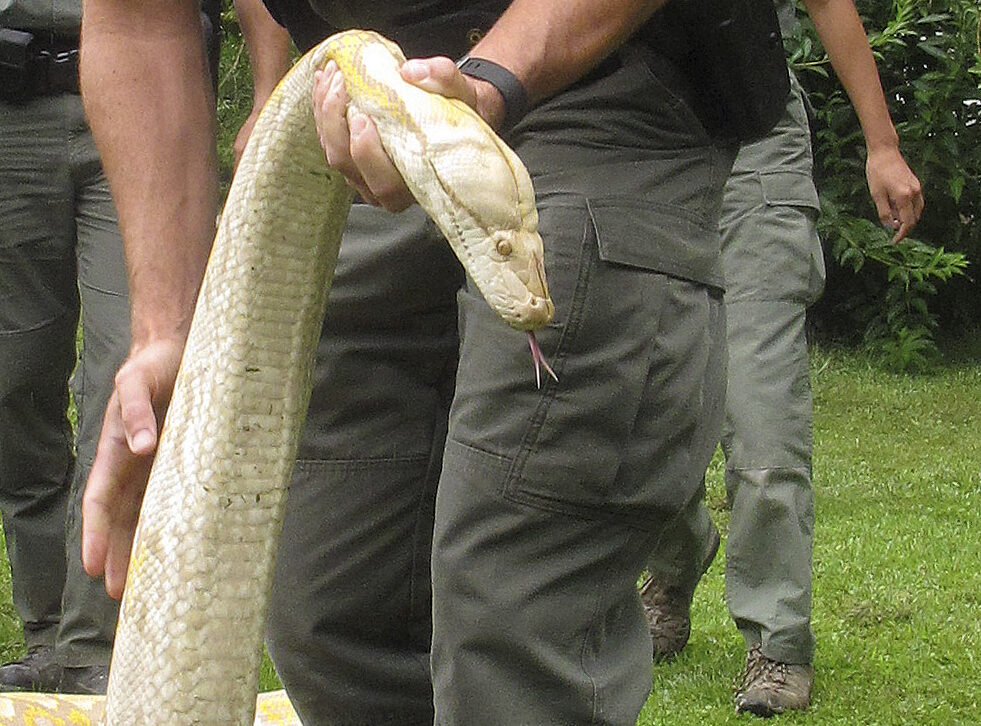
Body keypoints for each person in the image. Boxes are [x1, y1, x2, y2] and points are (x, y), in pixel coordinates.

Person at [79, 0, 740, 723]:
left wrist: (489, 81)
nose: (530, 301)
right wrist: (169, 328)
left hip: (598, 91)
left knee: (509, 618)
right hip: (358, 129)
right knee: (329, 605)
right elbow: (137, 18)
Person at [639, 0, 925, 716]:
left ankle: (776, 641)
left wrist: (881, 145)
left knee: (761, 420)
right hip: (627, 145)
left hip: (752, 143)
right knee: (633, 401)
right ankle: (672, 566)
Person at [0, 1, 130, 694]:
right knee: (12, 385)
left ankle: (97, 641)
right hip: (9, 109)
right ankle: (48, 632)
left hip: (145, 88)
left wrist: (264, 91)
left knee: (126, 374)